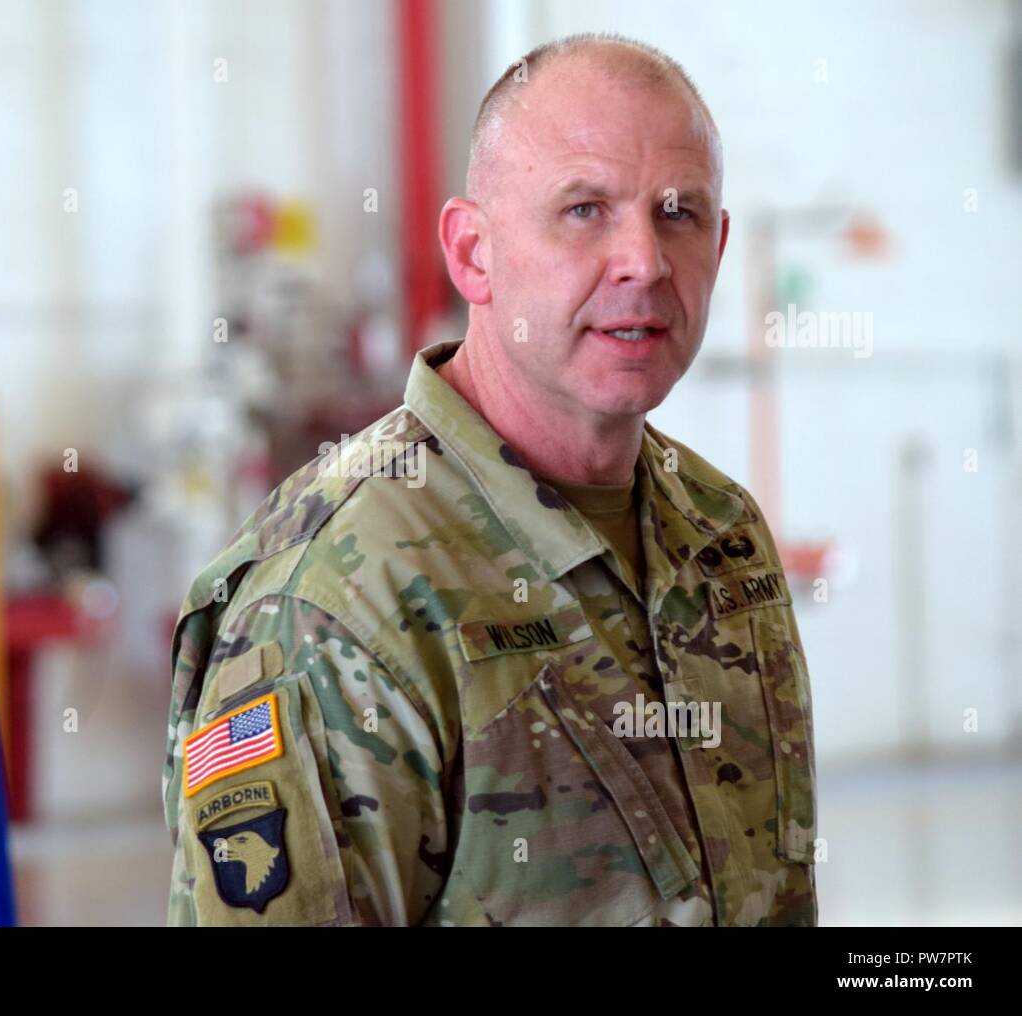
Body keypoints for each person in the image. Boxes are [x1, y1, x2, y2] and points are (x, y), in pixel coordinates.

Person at [162, 32, 818, 926]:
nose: (645, 261)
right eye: (585, 210)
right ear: (474, 254)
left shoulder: (722, 535)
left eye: (679, 213)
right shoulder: (336, 595)